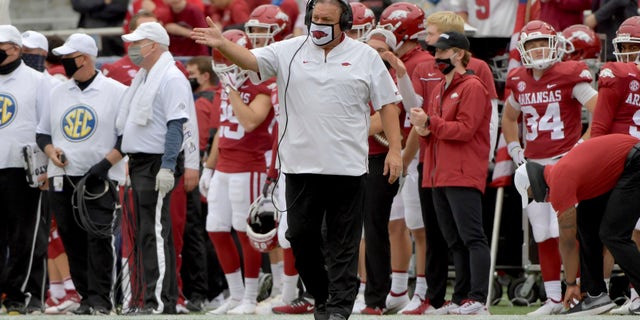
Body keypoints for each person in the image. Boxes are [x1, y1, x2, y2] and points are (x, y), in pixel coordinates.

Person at [191, 0, 404, 317]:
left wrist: (396, 152)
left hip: (348, 166)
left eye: (326, 19)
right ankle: (321, 296)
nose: (318, 24)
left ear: (343, 23)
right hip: (300, 165)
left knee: (343, 243)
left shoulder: (365, 56)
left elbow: (388, 103)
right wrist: (222, 43)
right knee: (299, 237)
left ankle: (338, 309)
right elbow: (250, 60)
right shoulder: (288, 50)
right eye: (315, 17)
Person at [501, 20, 598, 316]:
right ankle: (553, 299)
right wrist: (515, 148)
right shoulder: (518, 79)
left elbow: (600, 112)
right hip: (534, 165)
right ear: (523, 49)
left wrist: (581, 148)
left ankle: (577, 292)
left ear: (556, 45)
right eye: (532, 44)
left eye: (543, 42)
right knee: (542, 233)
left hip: (565, 162)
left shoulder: (571, 74)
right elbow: (508, 118)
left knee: (567, 231)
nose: (539, 49)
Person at [403, 11, 498, 315]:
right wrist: (424, 128)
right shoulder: (441, 89)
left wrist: (430, 123)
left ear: (459, 54)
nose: (436, 56)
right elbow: (437, 133)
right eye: (435, 51)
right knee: (453, 240)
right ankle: (459, 298)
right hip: (437, 174)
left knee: (472, 237)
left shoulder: (471, 86)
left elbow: (465, 130)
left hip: (461, 172)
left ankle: (479, 298)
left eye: (442, 51)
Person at [36, 33, 126, 315]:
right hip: (63, 175)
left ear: (84, 58)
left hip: (99, 178)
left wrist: (103, 166)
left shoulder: (116, 91)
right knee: (71, 238)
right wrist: (51, 152)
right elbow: (42, 134)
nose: (64, 63)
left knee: (98, 238)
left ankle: (101, 298)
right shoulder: (58, 91)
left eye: (68, 58)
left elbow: (126, 138)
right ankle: (86, 297)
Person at [514, 134, 640, 315]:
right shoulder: (562, 172)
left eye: (532, 195)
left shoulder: (558, 179)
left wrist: (571, 284)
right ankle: (595, 295)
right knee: (587, 223)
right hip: (629, 161)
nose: (538, 200)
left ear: (534, 184)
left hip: (634, 162)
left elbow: (567, 241)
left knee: (613, 234)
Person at [118, 21, 191, 314]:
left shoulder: (170, 78)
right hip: (141, 162)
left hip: (157, 162)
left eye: (139, 42)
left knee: (155, 232)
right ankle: (153, 297)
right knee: (148, 231)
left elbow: (176, 125)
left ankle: (158, 300)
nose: (133, 48)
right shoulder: (147, 77)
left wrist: (168, 166)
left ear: (155, 45)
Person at [590, 15, 640, 314]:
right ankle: (633, 295)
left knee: (616, 231)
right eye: (625, 48)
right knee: (623, 231)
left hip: (626, 161)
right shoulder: (621, 73)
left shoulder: (616, 74)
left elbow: (599, 126)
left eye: (633, 48)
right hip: (625, 159)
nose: (627, 55)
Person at [0, 24, 48, 316]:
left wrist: (45, 168)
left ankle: (21, 295)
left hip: (24, 169)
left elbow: (47, 126)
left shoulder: (39, 81)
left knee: (24, 236)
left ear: (15, 49)